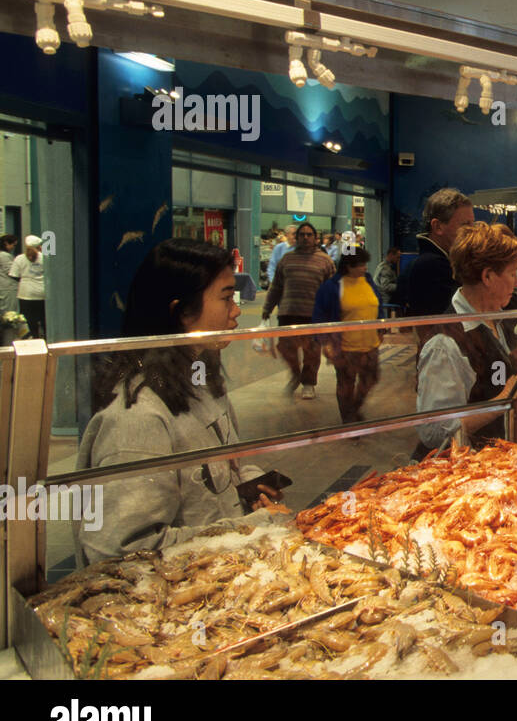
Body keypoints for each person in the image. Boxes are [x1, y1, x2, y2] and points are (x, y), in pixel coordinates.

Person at [75, 239, 286, 565]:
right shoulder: (137, 419)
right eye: (226, 298)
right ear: (182, 313)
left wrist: (250, 487)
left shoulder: (201, 379)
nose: (237, 310)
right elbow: (121, 552)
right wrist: (251, 527)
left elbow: (223, 468)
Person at [414, 223, 517, 455]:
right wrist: (504, 399)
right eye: (512, 273)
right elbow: (434, 432)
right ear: (488, 276)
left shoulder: (495, 317)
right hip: (468, 471)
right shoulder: (444, 344)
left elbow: (498, 371)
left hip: (499, 457)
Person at [261, 222, 334, 400]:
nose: (306, 238)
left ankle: (308, 383)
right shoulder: (287, 259)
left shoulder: (325, 261)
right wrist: (267, 309)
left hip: (313, 314)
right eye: (302, 235)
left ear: (315, 238)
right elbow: (276, 287)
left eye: (309, 235)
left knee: (311, 351)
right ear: (296, 237)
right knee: (286, 349)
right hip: (288, 312)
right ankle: (295, 374)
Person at [396, 188, 476, 351]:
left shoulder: (445, 261)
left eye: (472, 224)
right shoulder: (430, 266)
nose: (472, 232)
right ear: (438, 226)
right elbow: (462, 316)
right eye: (465, 225)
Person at [313, 248, 382, 425]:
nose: (364, 268)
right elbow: (320, 316)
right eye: (360, 265)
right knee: (346, 385)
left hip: (370, 345)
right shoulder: (332, 287)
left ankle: (354, 408)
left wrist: (382, 328)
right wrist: (325, 342)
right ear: (348, 266)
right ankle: (348, 420)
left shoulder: (367, 281)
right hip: (346, 348)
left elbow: (377, 304)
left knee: (371, 379)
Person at [10, 235, 46, 340]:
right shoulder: (45, 258)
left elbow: (14, 275)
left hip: (25, 294)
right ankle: (46, 341)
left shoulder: (19, 259)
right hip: (42, 293)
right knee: (44, 319)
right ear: (39, 246)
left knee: (30, 320)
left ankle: (34, 340)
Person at [0, 234, 19, 315]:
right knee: (10, 313)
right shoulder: (4, 255)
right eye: (13, 245)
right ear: (6, 243)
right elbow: (11, 271)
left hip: (5, 287)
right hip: (8, 288)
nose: (13, 248)